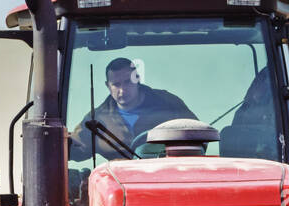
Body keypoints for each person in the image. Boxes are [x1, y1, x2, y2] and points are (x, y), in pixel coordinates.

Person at [68, 57, 197, 160]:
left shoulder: (168, 104)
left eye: (127, 82)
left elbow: (198, 135)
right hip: (119, 185)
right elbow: (75, 149)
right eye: (116, 84)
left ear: (137, 79)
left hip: (167, 180)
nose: (122, 90)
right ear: (108, 86)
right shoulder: (95, 120)